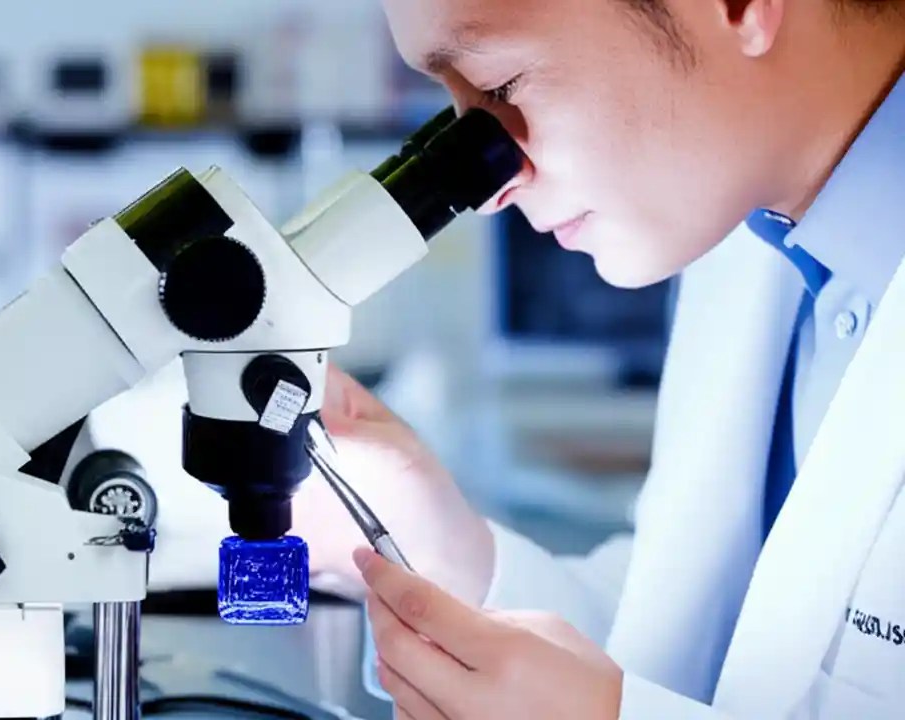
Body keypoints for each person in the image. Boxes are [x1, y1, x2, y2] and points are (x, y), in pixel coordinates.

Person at [292, 0, 905, 717]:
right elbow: (718, 647)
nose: (488, 191)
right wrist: (451, 553)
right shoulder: (745, 236)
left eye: (501, 87)